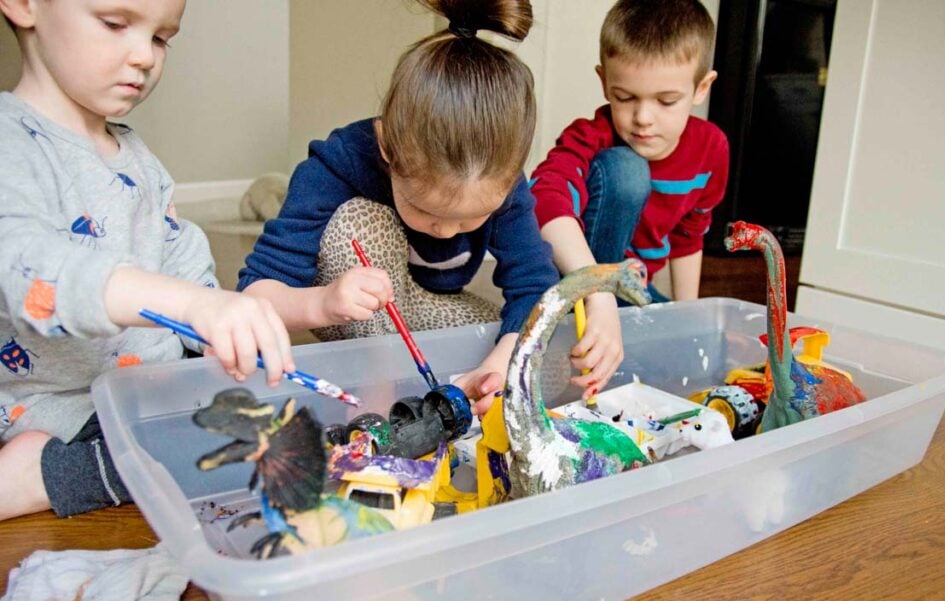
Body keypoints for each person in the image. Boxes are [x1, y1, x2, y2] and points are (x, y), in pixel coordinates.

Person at [0, 0, 295, 521]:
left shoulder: (139, 159)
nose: (144, 57)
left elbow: (182, 259)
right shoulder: (10, 140)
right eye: (115, 25)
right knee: (189, 459)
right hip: (65, 408)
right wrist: (184, 303)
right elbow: (31, 270)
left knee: (270, 428)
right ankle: (36, 477)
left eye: (161, 39)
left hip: (149, 384)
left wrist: (210, 323)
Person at [239, 0, 559, 416]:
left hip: (424, 307)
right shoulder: (339, 162)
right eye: (426, 210)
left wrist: (499, 366)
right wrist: (324, 301)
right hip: (348, 308)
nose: (445, 232)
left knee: (543, 364)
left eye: (470, 218)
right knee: (361, 219)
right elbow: (254, 295)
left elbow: (534, 286)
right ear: (387, 146)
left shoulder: (503, 183)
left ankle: (414, 374)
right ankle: (379, 389)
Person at [530, 0, 729, 393]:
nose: (642, 117)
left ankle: (615, 347)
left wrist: (684, 318)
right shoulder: (591, 135)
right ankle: (591, 333)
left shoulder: (712, 148)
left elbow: (690, 234)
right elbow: (542, 196)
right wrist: (597, 288)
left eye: (666, 101)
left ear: (701, 88)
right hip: (577, 285)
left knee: (697, 356)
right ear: (604, 82)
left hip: (629, 289)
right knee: (626, 169)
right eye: (625, 98)